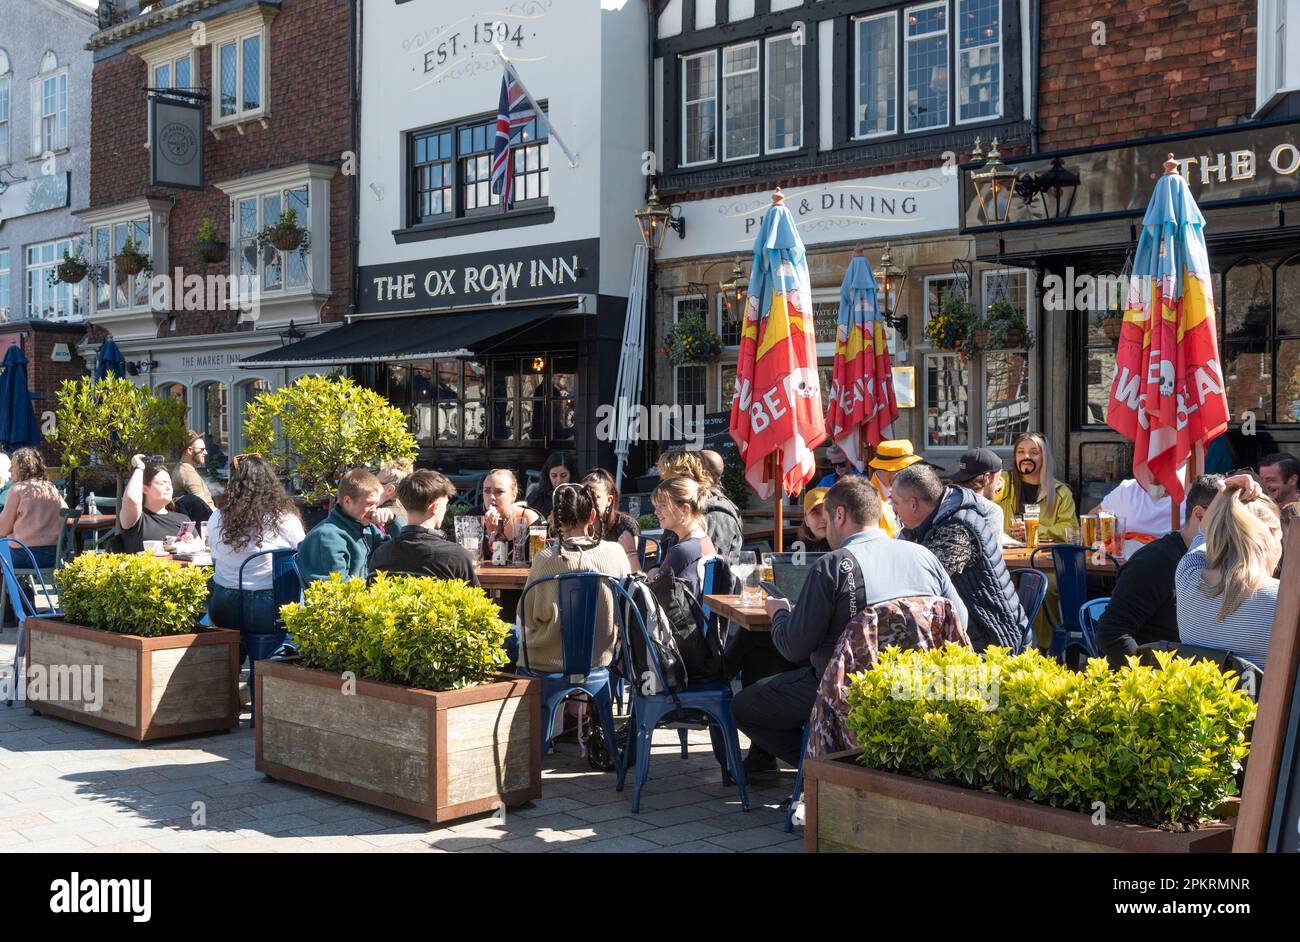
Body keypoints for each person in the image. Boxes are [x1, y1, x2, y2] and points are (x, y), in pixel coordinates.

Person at [733, 476, 966, 768]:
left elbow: (793, 648)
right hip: (919, 686)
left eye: (828, 519)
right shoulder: (924, 556)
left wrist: (779, 612)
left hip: (844, 693)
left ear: (839, 515)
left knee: (743, 707)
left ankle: (827, 771)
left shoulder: (834, 565)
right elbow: (959, 620)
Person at [891, 464, 1027, 652]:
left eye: (895, 503)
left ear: (913, 504)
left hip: (994, 641)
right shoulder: (938, 519)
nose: (893, 511)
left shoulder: (956, 529)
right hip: (974, 631)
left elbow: (922, 585)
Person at [1095, 474, 1224, 669]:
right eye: (1228, 519)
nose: (1237, 528)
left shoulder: (1226, 561)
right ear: (1199, 515)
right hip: (1155, 686)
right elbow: (1111, 633)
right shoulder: (1155, 561)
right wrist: (1151, 682)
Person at [520, 481, 630, 672]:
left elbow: (527, 618)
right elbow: (625, 606)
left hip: (546, 661)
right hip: (600, 658)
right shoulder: (616, 553)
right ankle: (580, 701)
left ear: (554, 518)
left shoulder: (545, 559)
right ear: (592, 516)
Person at [1175, 475, 1281, 668]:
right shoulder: (1284, 598)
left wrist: (1226, 492)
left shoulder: (1186, 574)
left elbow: (1203, 531)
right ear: (1269, 538)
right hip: (1262, 698)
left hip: (1199, 696)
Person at [206, 455, 305, 632]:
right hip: (268, 605)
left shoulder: (217, 517)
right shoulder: (284, 518)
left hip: (224, 604)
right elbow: (303, 553)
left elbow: (214, 557)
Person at [370, 470, 478, 584]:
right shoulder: (455, 556)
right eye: (445, 505)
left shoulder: (381, 553)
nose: (445, 510)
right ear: (435, 507)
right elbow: (475, 599)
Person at [296, 469, 396, 584]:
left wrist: (392, 522)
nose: (374, 510)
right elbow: (337, 588)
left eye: (376, 504)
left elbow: (399, 553)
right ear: (347, 501)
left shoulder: (369, 529)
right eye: (369, 504)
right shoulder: (327, 537)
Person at [656, 448, 743, 557]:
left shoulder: (714, 512)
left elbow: (711, 567)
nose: (665, 486)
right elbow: (667, 557)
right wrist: (656, 568)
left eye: (669, 480)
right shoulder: (681, 508)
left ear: (688, 476)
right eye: (664, 480)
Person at [994, 432, 1077, 543]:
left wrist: (1034, 530)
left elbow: (1071, 529)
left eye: (1034, 452)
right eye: (1020, 452)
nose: (1026, 456)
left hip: (1042, 556)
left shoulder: (1060, 492)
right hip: (1005, 556)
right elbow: (985, 500)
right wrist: (990, 485)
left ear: (1044, 457)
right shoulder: (1003, 481)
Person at [0, 448, 67, 569]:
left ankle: (14, 588)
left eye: (13, 466)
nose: (10, 470)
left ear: (23, 468)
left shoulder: (17, 490)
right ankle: (23, 587)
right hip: (53, 555)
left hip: (24, 556)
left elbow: (2, 529)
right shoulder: (50, 487)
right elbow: (67, 515)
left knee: (2, 549)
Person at [653, 476, 717, 596]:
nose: (656, 511)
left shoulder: (683, 550)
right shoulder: (703, 540)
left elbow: (650, 596)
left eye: (663, 505)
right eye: (656, 506)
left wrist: (631, 553)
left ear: (685, 509)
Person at [119, 454, 192, 555]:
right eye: (162, 483)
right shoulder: (137, 519)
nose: (168, 488)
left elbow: (199, 548)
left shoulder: (183, 519)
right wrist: (139, 467)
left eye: (169, 483)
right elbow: (131, 499)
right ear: (145, 488)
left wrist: (188, 544)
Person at [1090, 478, 1183, 557]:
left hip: (1167, 565)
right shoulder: (1127, 488)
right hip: (1122, 566)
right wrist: (1106, 527)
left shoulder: (1187, 493)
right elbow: (1093, 516)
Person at [949, 447, 1015, 547]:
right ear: (987, 478)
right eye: (998, 476)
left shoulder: (946, 500)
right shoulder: (991, 510)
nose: (1000, 482)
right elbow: (992, 556)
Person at [582, 468, 640, 571]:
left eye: (595, 497)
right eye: (585, 496)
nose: (589, 502)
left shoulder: (625, 524)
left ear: (609, 500)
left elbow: (630, 567)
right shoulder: (577, 524)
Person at [866, 439, 923, 538]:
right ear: (881, 467)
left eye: (908, 468)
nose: (905, 474)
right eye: (899, 469)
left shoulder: (912, 489)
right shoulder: (867, 498)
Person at [481, 468, 540, 556]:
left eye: (499, 492)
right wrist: (491, 534)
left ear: (514, 494)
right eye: (487, 491)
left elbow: (538, 558)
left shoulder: (528, 519)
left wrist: (494, 534)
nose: (491, 497)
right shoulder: (474, 518)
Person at [527, 452, 579, 520]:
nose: (559, 481)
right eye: (554, 476)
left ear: (571, 475)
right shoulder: (537, 498)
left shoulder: (579, 497)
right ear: (548, 475)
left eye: (563, 476)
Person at [175, 430, 215, 511]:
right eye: (202, 449)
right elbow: (205, 506)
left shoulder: (185, 469)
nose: (206, 452)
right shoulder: (188, 472)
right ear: (189, 450)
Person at [377, 457, 415, 529]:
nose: (370, 486)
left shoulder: (383, 516)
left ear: (389, 490)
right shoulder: (404, 510)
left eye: (375, 483)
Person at [796, 487, 831, 552]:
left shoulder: (847, 549)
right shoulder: (796, 552)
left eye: (827, 511)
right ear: (806, 520)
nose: (823, 519)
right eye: (816, 513)